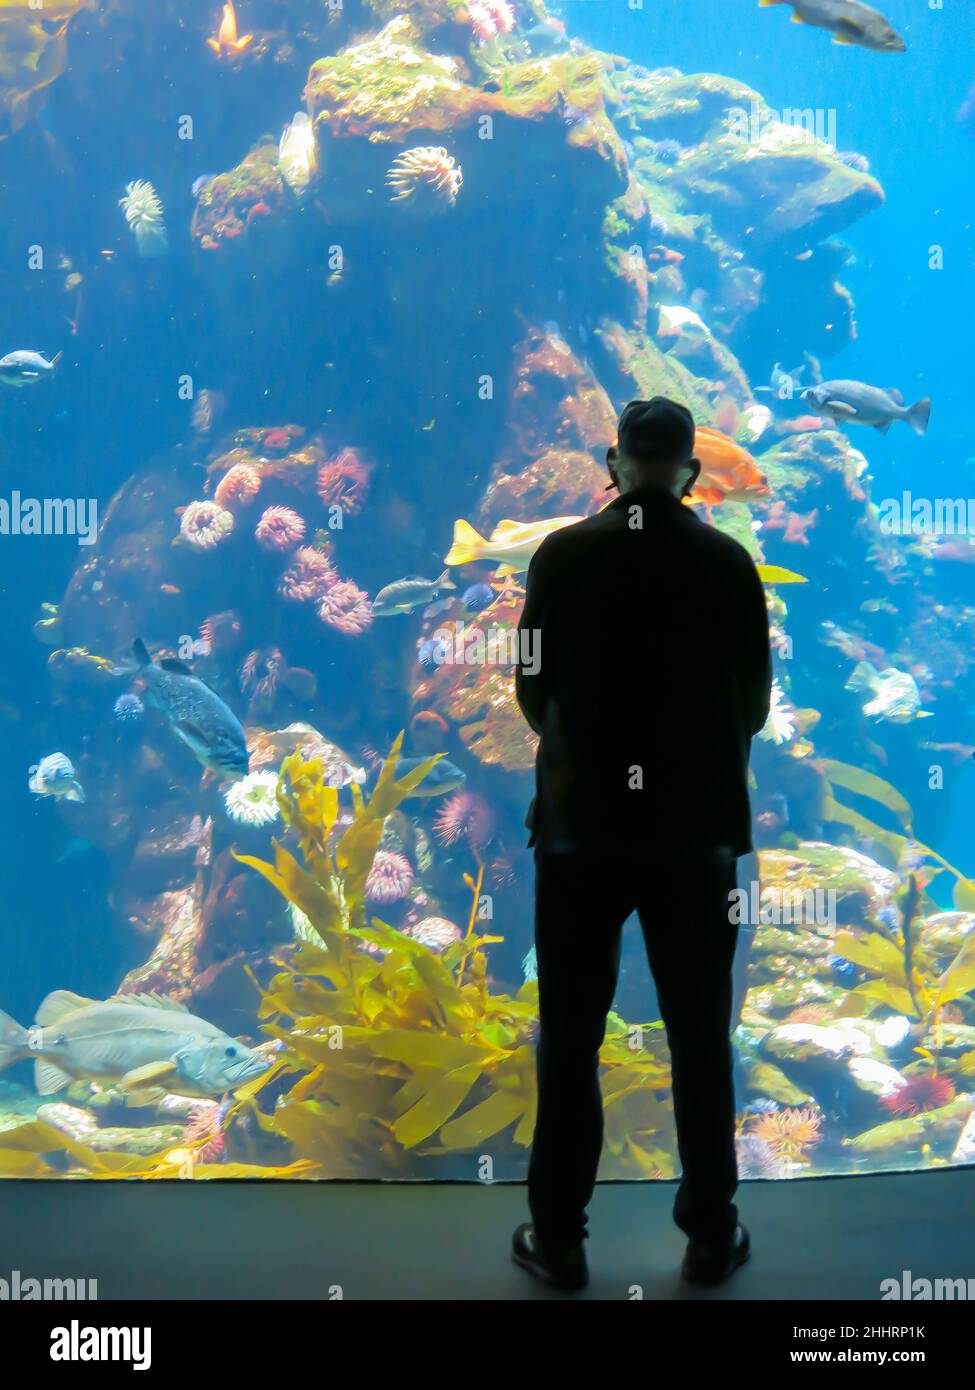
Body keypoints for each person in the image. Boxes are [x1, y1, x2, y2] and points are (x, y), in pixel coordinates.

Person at [512, 397, 772, 1290]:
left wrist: (577, 758)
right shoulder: (727, 563)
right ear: (691, 474)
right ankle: (708, 1233)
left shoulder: (562, 554)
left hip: (581, 836)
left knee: (571, 1036)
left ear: (612, 462)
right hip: (693, 840)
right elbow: (755, 705)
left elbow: (528, 684)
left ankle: (559, 1238)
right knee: (700, 1036)